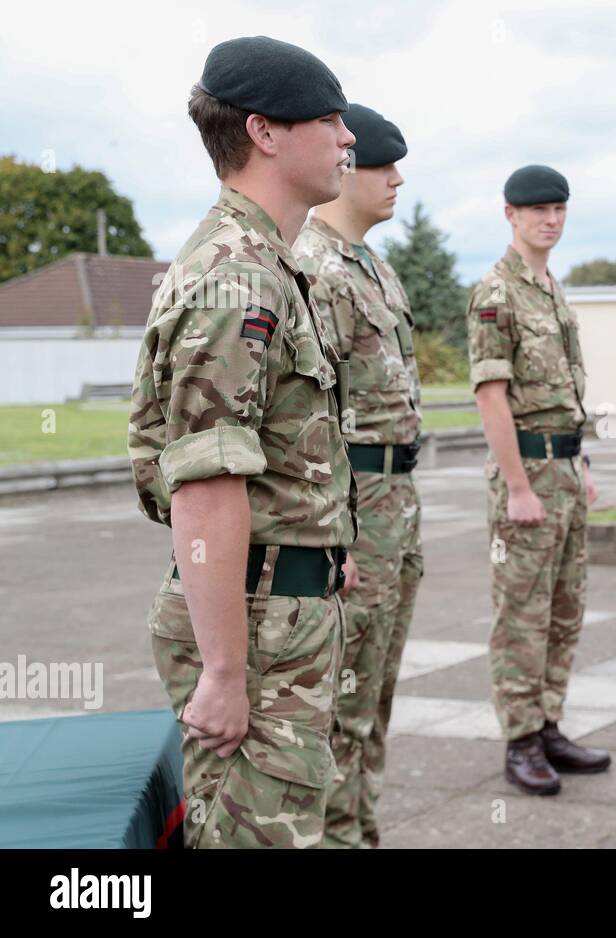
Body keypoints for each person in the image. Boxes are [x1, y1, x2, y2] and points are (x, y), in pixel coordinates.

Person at [128, 36, 359, 848]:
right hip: (253, 627)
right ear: (264, 132)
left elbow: (279, 453)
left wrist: (330, 541)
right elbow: (205, 485)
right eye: (328, 120)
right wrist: (225, 672)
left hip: (280, 611)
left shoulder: (267, 261)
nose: (347, 137)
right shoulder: (236, 275)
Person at [294, 103, 422, 848]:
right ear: (345, 170)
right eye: (383, 165)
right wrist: (335, 532)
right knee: (341, 701)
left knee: (374, 695)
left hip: (394, 509)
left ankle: (361, 831)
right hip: (353, 514)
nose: (397, 179)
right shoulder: (313, 267)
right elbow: (315, 419)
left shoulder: (375, 267)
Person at [466, 165, 610, 795]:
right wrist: (519, 487)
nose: (551, 219)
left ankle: (549, 723)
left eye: (559, 209)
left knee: (563, 610)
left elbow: (566, 395)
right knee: (522, 615)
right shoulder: (497, 291)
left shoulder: (552, 289)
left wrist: (582, 466)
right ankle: (521, 738)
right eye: (538, 210)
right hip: (526, 474)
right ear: (511, 214)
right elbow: (492, 398)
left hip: (565, 470)